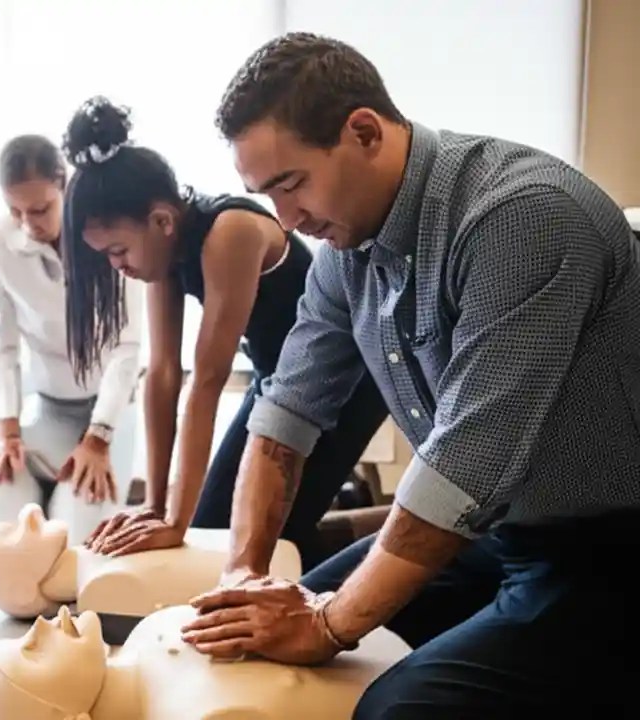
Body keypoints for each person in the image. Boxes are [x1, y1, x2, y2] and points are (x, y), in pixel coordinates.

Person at [179, 32, 639, 717]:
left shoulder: (523, 218)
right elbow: (284, 417)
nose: (287, 220)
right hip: (495, 535)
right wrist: (245, 573)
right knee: (251, 647)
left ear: (363, 131)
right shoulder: (346, 249)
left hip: (610, 555)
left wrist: (328, 624)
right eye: (265, 195)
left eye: (291, 184)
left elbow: (462, 468)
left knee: (395, 708)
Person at [61, 96, 388, 570]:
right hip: (277, 384)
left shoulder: (230, 231)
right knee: (214, 530)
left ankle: (385, 537)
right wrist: (157, 507)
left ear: (161, 221)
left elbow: (207, 381)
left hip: (344, 383)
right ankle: (362, 527)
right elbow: (164, 375)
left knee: (245, 536)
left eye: (118, 250)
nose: (117, 267)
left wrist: (175, 521)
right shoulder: (164, 258)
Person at [0, 134, 143, 546]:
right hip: (45, 409)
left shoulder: (109, 238)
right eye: (16, 211)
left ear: (64, 184)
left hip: (107, 417)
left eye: (41, 208)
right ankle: (38, 493)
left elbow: (127, 349)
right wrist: (7, 432)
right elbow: (2, 346)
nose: (30, 223)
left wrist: (98, 438)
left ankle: (61, 498)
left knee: (79, 539)